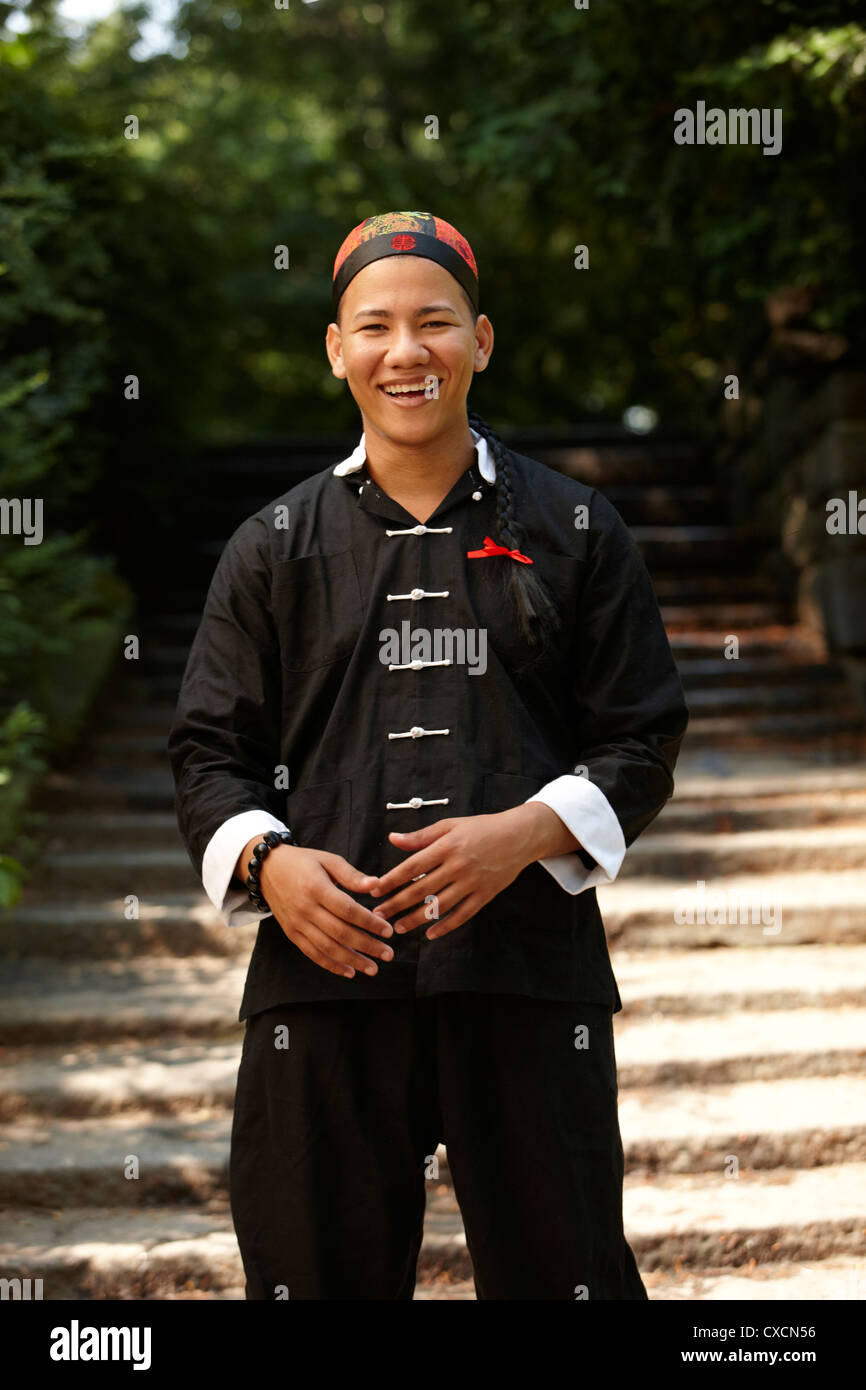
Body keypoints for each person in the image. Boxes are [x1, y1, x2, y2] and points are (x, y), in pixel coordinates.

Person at [167, 210, 689, 1300]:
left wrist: (527, 831)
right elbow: (210, 751)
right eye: (375, 327)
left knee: (568, 1274)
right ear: (335, 348)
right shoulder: (269, 547)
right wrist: (273, 866)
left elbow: (640, 734)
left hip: (529, 969)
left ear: (481, 339)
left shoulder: (577, 526)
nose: (405, 352)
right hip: (321, 976)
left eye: (434, 323)